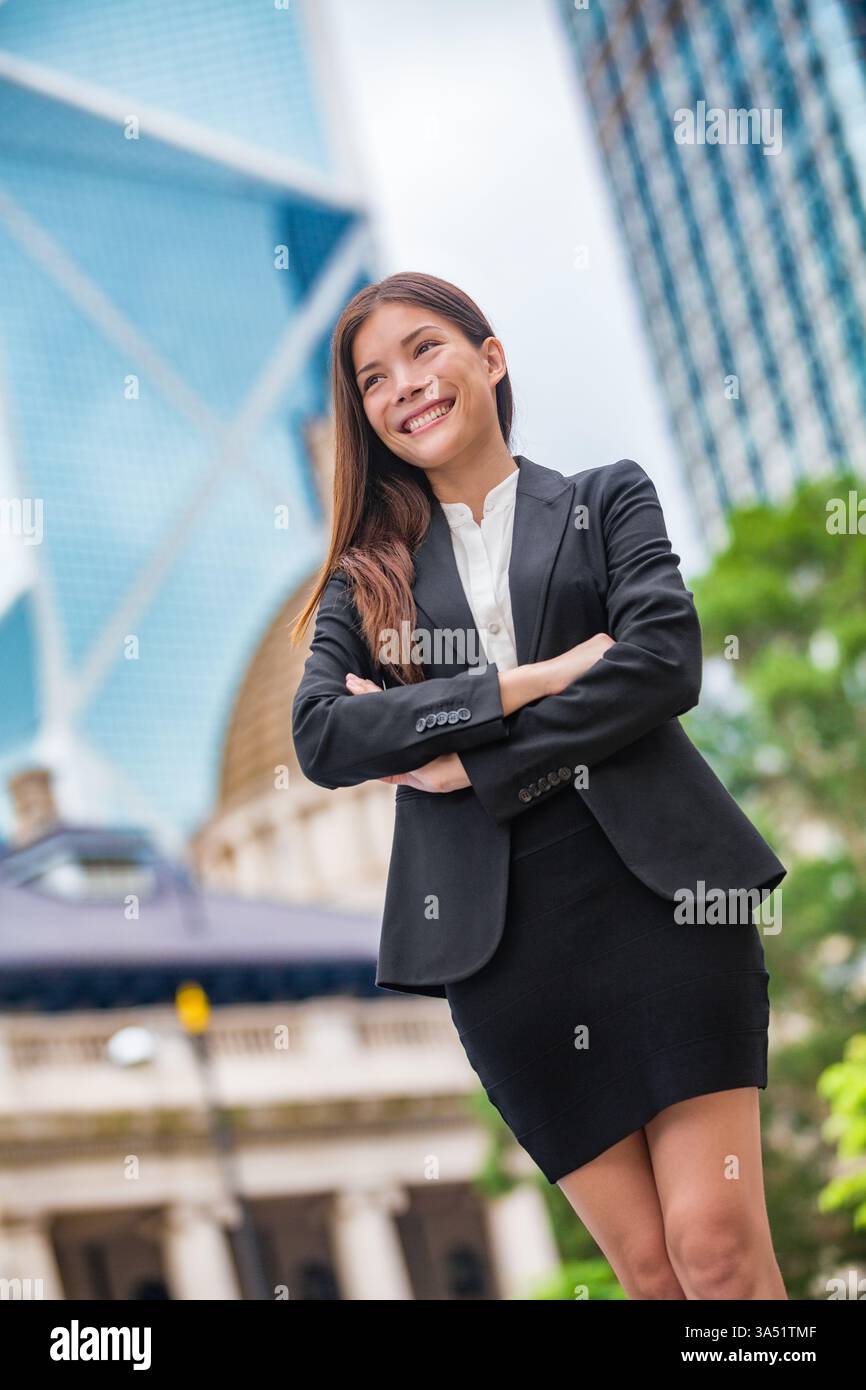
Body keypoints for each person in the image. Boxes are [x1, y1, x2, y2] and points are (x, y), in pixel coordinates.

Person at [291, 272, 788, 1300]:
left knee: (716, 1250)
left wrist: (471, 757)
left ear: (489, 356)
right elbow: (323, 734)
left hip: (662, 901)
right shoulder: (364, 578)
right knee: (650, 1275)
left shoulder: (606, 498)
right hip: (503, 946)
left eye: (424, 349)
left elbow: (659, 664)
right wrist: (538, 678)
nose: (405, 386)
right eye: (373, 379)